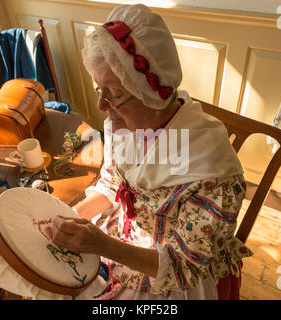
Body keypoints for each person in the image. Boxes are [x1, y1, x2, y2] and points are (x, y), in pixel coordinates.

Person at [46, 4, 253, 300]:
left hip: (174, 275)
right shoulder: (124, 122)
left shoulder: (212, 172)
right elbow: (114, 184)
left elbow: (185, 266)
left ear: (152, 93)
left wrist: (102, 245)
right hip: (127, 236)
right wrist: (71, 216)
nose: (101, 106)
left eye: (114, 94)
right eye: (98, 89)